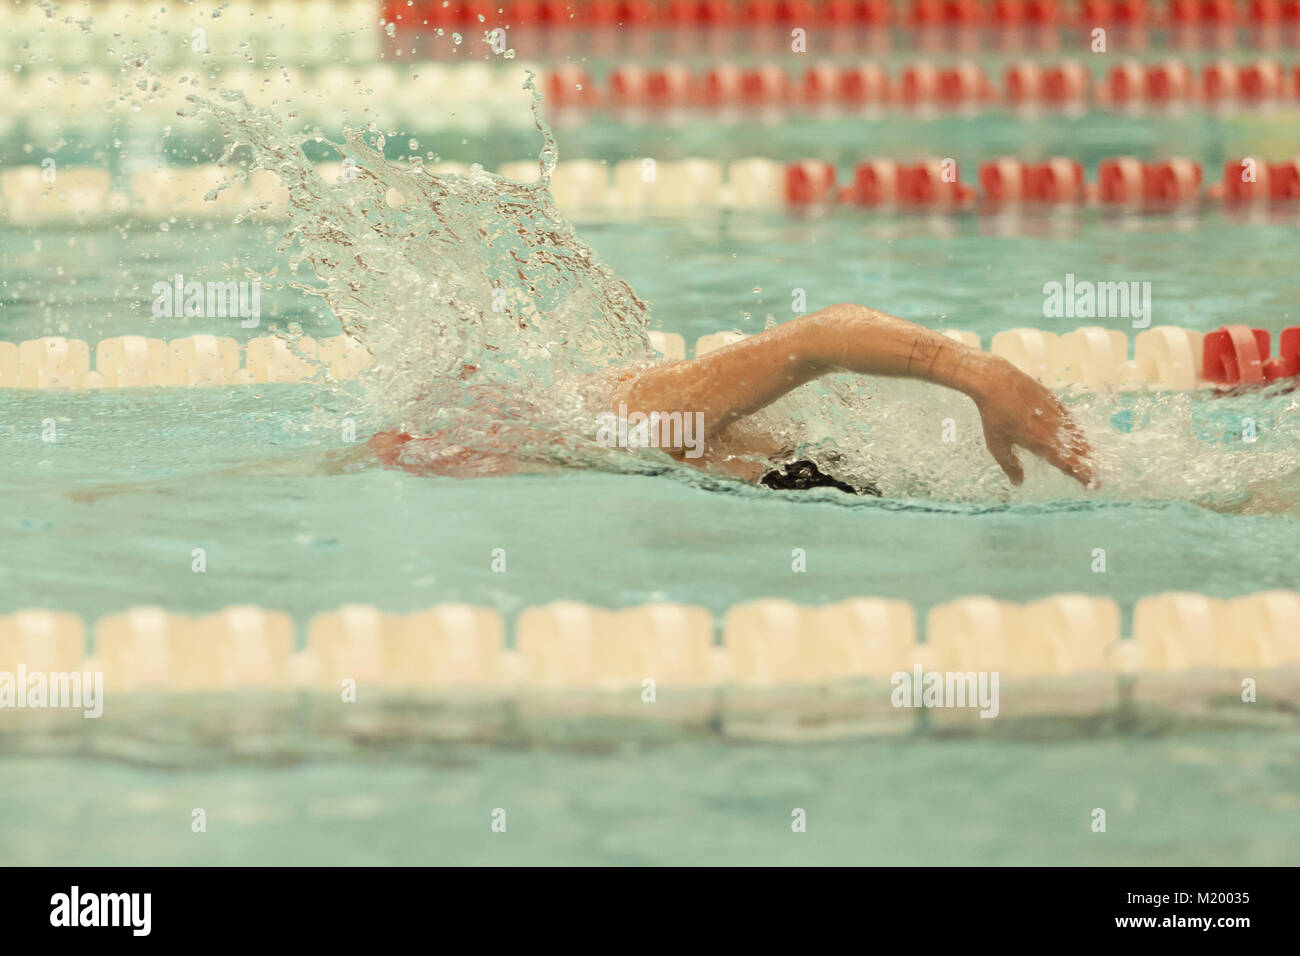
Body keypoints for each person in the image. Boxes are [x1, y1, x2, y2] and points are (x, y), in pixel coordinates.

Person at [370, 303, 1097, 493]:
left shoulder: (623, 417)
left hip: (854, 485)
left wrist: (986, 377)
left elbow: (821, 335)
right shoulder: (581, 439)